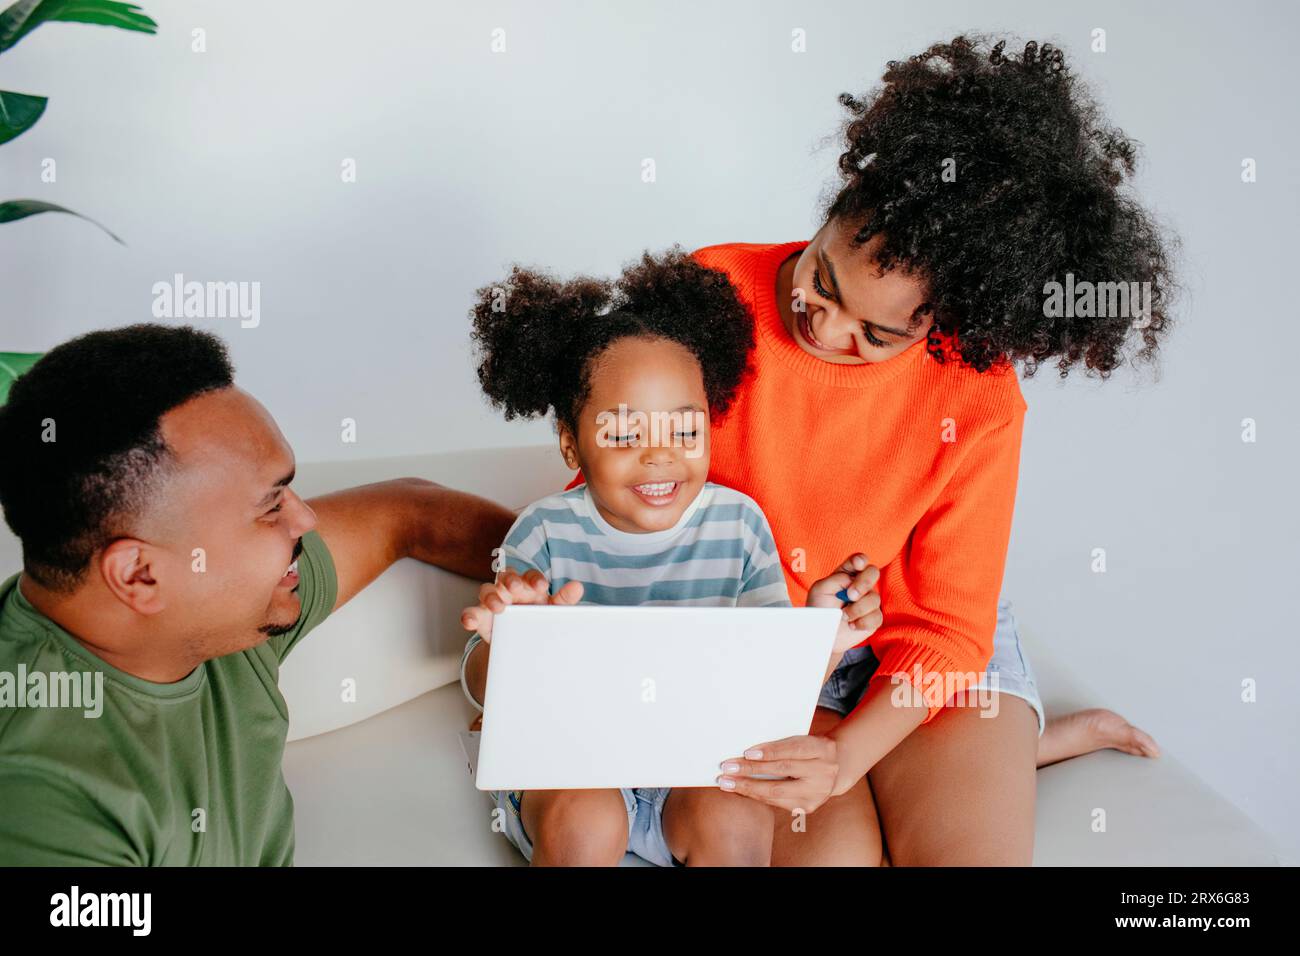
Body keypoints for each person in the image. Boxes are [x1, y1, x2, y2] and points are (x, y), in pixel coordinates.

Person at [550, 35, 1171, 865]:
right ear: (840, 204)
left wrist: (848, 759)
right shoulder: (711, 299)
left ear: (950, 322)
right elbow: (615, 495)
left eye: (878, 335)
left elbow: (948, 629)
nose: (827, 328)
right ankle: (1010, 756)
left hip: (926, 665)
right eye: (824, 279)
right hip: (765, 650)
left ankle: (1001, 749)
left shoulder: (979, 395)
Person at [0, 324, 516, 864]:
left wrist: (579, 587)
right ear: (139, 575)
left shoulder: (222, 607)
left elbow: (412, 512)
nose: (305, 518)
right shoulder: (42, 804)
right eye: (271, 507)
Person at [459, 248, 878, 865]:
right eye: (625, 436)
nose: (660, 457)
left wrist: (827, 638)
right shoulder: (542, 532)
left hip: (700, 767)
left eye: (686, 432)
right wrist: (510, 640)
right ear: (571, 445)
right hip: (576, 769)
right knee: (585, 820)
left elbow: (769, 690)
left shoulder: (739, 526)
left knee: (732, 815)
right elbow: (481, 689)